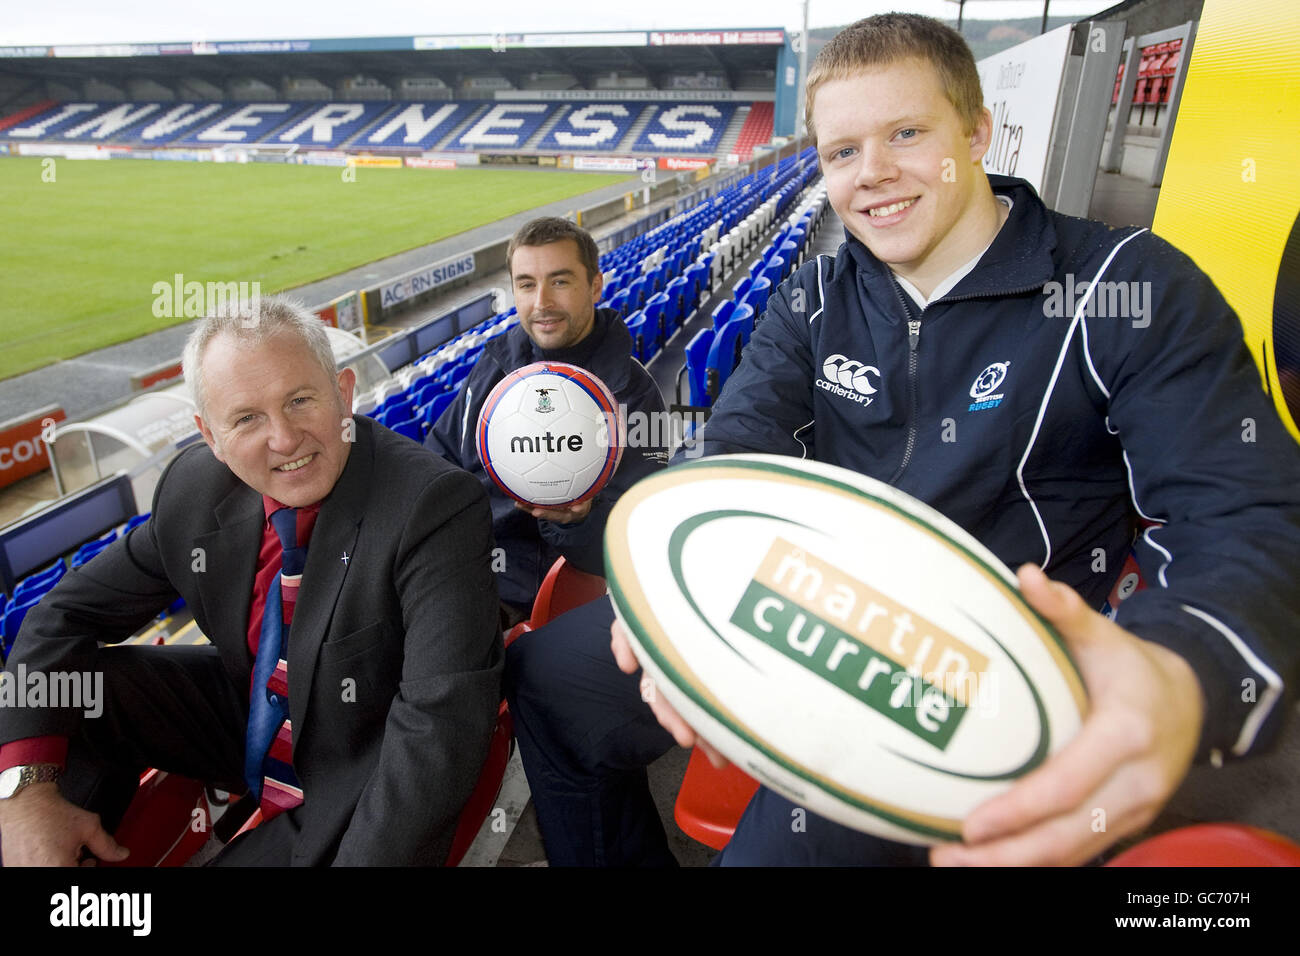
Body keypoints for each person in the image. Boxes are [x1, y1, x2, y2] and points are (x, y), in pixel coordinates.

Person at [506, 12, 1300, 866]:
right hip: (803, 603)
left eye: (907, 133)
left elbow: (1243, 513)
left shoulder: (1127, 284)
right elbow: (740, 442)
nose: (872, 173)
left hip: (959, 674)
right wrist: (679, 589)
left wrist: (1183, 672)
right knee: (548, 678)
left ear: (978, 130)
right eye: (842, 151)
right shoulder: (815, 294)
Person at [0, 297, 502, 866]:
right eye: (246, 419)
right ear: (208, 436)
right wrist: (25, 790)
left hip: (357, 768)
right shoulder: (193, 488)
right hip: (251, 717)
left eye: (299, 401)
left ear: (343, 391)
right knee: (80, 683)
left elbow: (438, 724)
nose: (284, 440)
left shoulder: (433, 505)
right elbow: (60, 618)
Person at [426, 216, 666, 626]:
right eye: (526, 284)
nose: (541, 303)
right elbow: (440, 455)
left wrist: (580, 521)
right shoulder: (497, 362)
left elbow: (642, 539)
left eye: (559, 281)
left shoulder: (638, 393)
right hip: (456, 568)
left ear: (594, 286)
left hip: (527, 599)